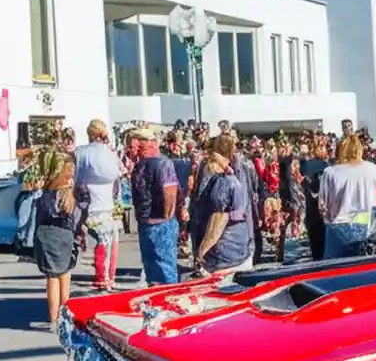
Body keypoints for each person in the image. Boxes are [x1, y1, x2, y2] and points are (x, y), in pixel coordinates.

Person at [33, 150, 88, 331]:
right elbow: (80, 214)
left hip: (47, 234)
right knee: (66, 274)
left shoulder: (47, 192)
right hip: (66, 234)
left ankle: (53, 318)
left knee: (52, 277)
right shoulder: (73, 192)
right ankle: (66, 316)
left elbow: (41, 214)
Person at [319, 134, 376, 259]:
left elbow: (322, 206)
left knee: (335, 272)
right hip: (370, 228)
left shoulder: (330, 172)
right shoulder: (374, 169)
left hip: (339, 229)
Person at [191, 135, 254, 276]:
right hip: (237, 246)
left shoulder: (223, 183)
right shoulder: (232, 179)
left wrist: (201, 251)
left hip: (224, 253)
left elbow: (218, 221)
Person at [74, 119, 123, 291]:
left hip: (89, 204)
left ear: (89, 134)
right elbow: (120, 175)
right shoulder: (111, 153)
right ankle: (109, 276)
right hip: (108, 203)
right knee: (110, 240)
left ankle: (101, 276)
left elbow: (77, 178)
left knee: (100, 240)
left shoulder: (82, 153)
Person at [128, 128, 180, 285]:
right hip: (147, 222)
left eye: (138, 145)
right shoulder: (140, 165)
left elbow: (170, 193)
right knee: (151, 267)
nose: (134, 149)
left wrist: (166, 217)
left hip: (160, 223)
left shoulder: (163, 163)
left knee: (164, 268)